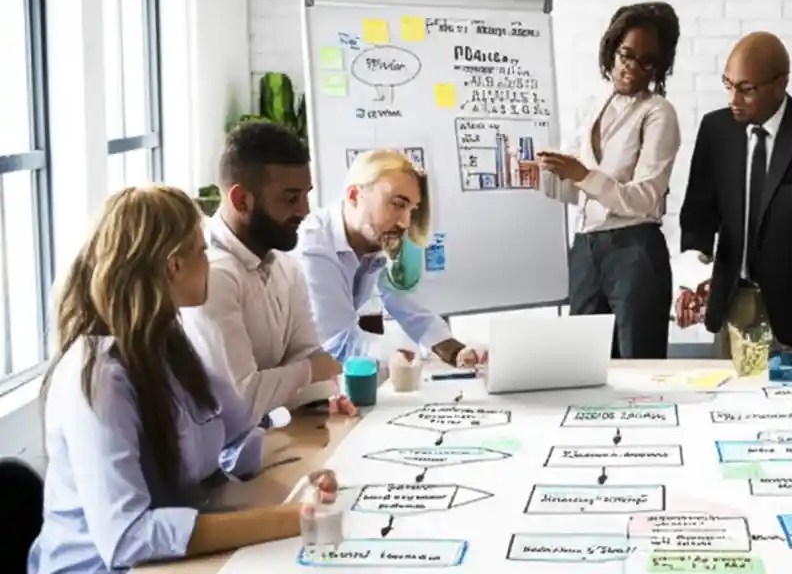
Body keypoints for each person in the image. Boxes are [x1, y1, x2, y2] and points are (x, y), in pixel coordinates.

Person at [28, 186, 338, 573]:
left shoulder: (168, 346)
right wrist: (290, 518)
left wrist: (288, 490)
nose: (210, 260)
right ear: (173, 266)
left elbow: (206, 463)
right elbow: (127, 538)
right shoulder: (97, 377)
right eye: (202, 249)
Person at [675, 31, 792, 354]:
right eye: (728, 85)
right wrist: (692, 280)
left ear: (781, 83)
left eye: (746, 90)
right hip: (730, 306)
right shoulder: (716, 130)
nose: (733, 100)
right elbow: (698, 216)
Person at [538, 2, 681, 359]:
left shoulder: (657, 112)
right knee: (584, 362)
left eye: (647, 62)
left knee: (638, 363)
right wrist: (540, 175)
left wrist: (583, 174)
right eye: (626, 55)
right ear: (612, 49)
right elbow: (578, 193)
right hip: (586, 248)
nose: (632, 68)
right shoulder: (591, 106)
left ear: (659, 67)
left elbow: (646, 197)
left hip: (634, 249)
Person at [183, 122, 345, 425]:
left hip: (269, 442)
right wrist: (309, 370)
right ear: (241, 200)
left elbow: (319, 376)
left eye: (306, 195)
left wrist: (297, 377)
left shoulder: (285, 265)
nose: (304, 210)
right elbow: (239, 403)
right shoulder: (209, 273)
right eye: (290, 197)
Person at [295, 149, 481, 367]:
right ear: (354, 195)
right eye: (398, 204)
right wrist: (399, 355)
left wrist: (452, 349)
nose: (405, 222)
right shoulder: (314, 245)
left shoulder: (371, 240)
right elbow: (338, 342)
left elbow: (401, 302)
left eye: (411, 209)